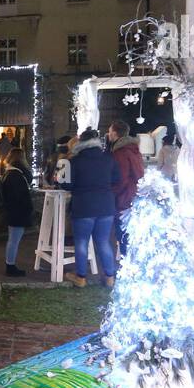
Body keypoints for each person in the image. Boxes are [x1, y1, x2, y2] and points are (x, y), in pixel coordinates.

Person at [60, 128, 119, 288]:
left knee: (81, 242)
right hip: (106, 206)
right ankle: (109, 277)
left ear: (81, 143)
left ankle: (81, 277)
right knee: (103, 242)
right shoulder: (108, 159)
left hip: (84, 206)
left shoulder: (74, 161)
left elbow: (66, 185)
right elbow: (116, 178)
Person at [106, 119, 145, 253]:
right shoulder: (134, 150)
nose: (108, 134)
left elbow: (120, 178)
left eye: (110, 132)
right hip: (133, 195)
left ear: (115, 133)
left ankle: (126, 266)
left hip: (123, 198)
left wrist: (111, 193)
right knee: (130, 234)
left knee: (123, 235)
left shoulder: (120, 153)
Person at [0, 148, 34, 277]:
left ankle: (11, 264)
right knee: (14, 240)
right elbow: (20, 196)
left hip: (12, 211)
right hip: (17, 212)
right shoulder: (16, 175)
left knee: (13, 239)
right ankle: (10, 266)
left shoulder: (9, 173)